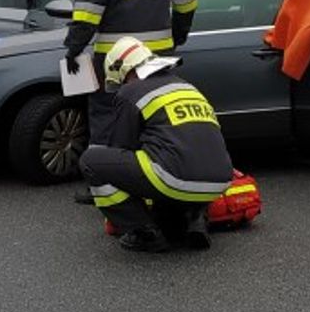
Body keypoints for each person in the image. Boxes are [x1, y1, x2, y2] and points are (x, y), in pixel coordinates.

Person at [63, 0, 196, 198]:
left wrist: (74, 47)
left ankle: (102, 185)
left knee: (107, 117)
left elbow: (89, 7)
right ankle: (156, 179)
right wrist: (178, 33)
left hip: (116, 59)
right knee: (155, 115)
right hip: (160, 56)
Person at [78, 36, 234, 253]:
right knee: (176, 164)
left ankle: (144, 233)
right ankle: (195, 219)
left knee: (92, 161)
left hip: (174, 177)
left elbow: (121, 147)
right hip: (220, 180)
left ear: (124, 70)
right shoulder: (186, 86)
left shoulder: (130, 91)